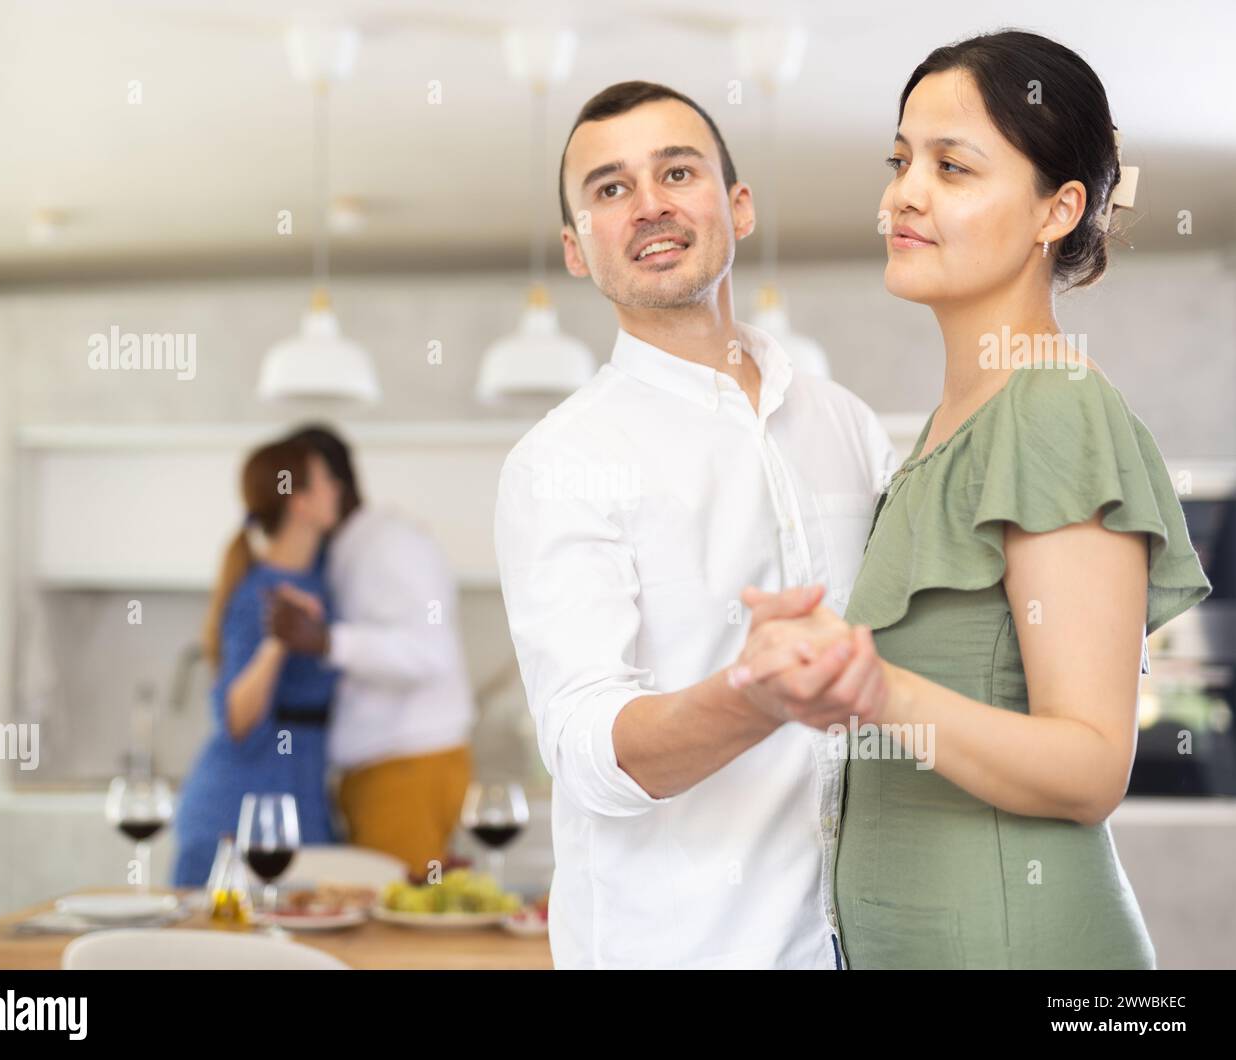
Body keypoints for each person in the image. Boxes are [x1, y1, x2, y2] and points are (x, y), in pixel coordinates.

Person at [730, 30, 1212, 968]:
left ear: (1056, 210)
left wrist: (878, 688)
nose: (904, 192)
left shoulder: (1053, 410)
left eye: (953, 167)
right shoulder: (951, 426)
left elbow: (1090, 766)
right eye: (902, 160)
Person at [493, 81, 900, 969]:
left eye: (677, 171)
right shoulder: (559, 462)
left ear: (738, 206)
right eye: (610, 189)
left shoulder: (847, 426)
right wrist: (751, 699)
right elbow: (587, 750)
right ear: (575, 248)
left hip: (861, 946)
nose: (649, 206)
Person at [269, 426, 476, 878]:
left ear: (333, 483)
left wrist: (327, 641)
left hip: (405, 767)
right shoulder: (352, 548)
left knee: (397, 935)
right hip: (392, 768)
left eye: (295, 485)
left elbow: (428, 652)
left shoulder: (390, 544)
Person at [172, 437, 343, 887]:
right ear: (300, 501)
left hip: (297, 808)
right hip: (235, 816)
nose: (337, 489)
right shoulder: (259, 594)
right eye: (326, 480)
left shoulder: (318, 577)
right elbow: (236, 720)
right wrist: (278, 641)